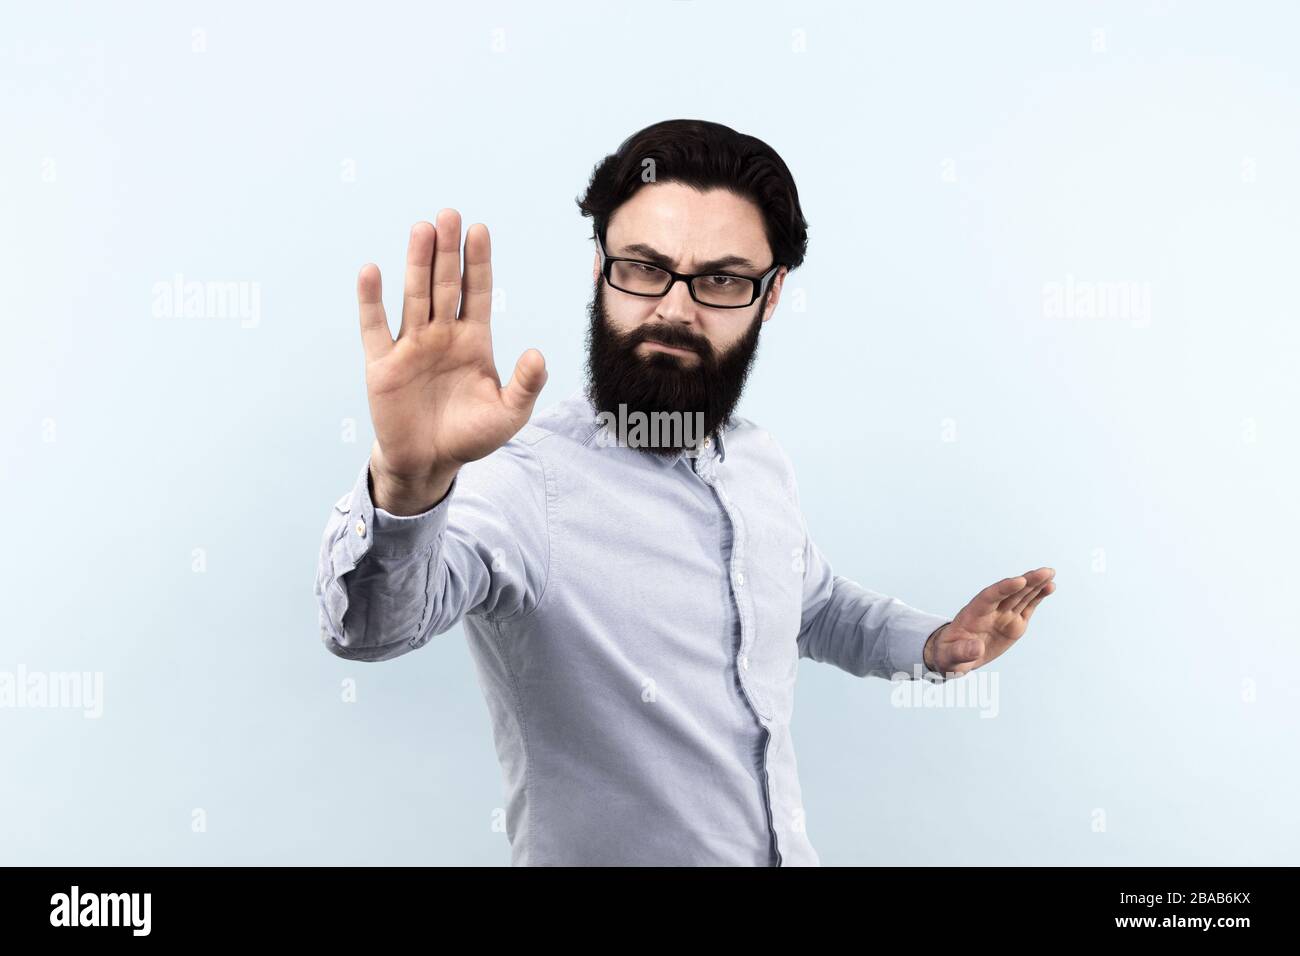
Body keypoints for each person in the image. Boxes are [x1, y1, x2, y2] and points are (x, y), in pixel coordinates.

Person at [314, 119, 1056, 866]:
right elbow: (370, 627)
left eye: (722, 280)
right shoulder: (521, 481)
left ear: (769, 297)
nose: (673, 308)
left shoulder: (759, 462)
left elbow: (811, 603)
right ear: (601, 268)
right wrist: (408, 484)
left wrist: (930, 644)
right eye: (642, 267)